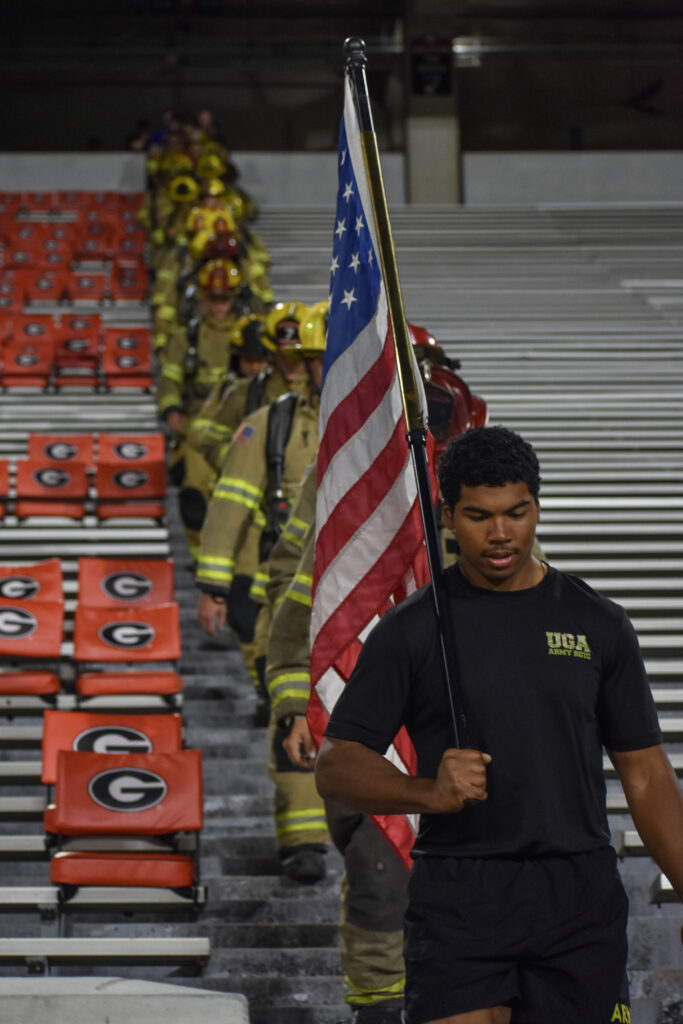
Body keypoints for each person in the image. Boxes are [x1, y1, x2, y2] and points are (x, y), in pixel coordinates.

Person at [316, 425, 683, 1024]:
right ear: (449, 516)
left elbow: (645, 776)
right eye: (479, 516)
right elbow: (335, 765)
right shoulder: (412, 629)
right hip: (459, 894)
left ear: (537, 506)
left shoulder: (599, 624)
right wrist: (426, 791)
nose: (501, 534)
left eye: (516, 513)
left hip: (577, 892)